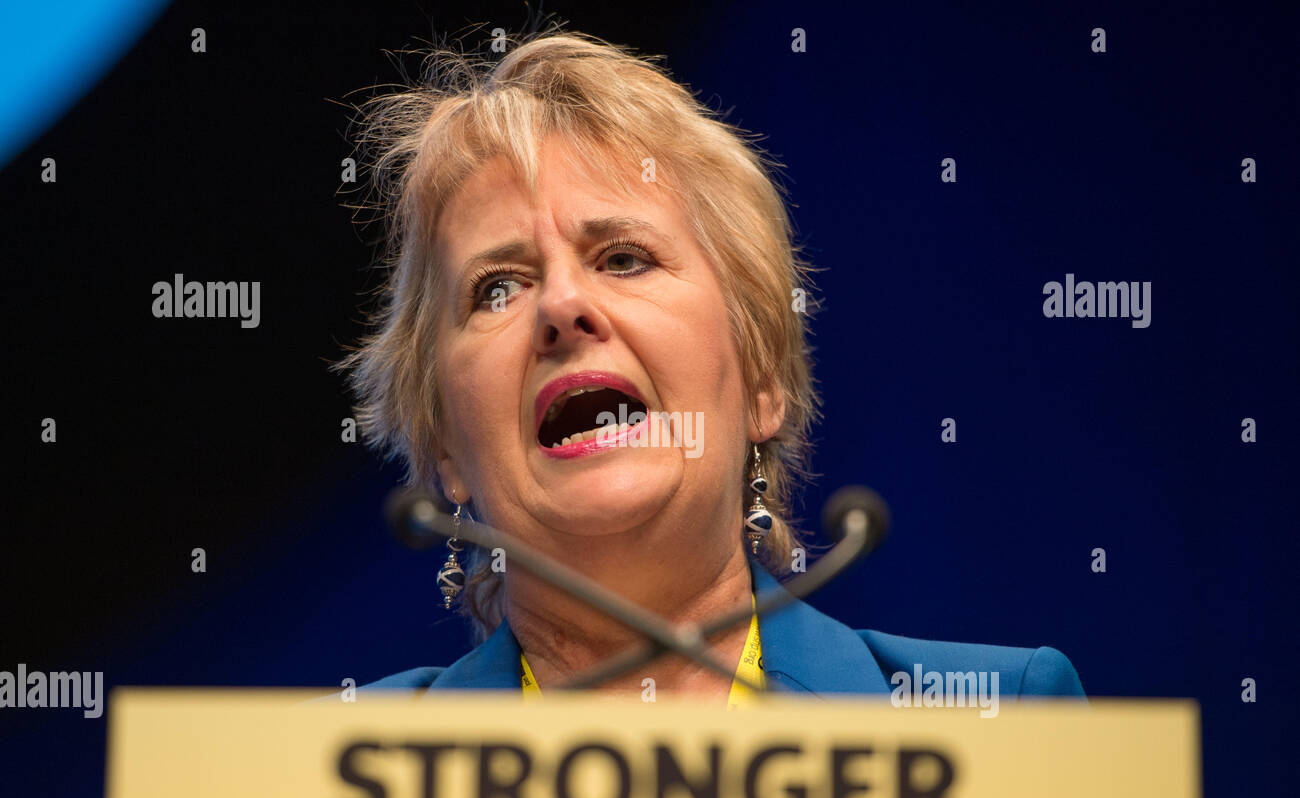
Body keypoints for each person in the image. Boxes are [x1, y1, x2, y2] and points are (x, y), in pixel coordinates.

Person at [336, 30, 1085, 706]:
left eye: (623, 258)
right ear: (442, 449)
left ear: (762, 384)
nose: (562, 306)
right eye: (497, 287)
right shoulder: (321, 777)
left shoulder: (1006, 722)